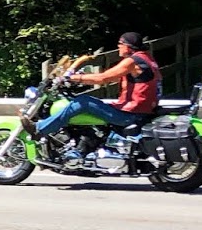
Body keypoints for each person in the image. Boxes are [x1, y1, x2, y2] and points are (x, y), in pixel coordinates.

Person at [33, 32, 162, 146]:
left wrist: (72, 78)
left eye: (120, 43)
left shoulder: (132, 61)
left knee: (83, 102)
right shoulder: (147, 59)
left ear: (128, 46)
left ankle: (40, 128)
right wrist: (85, 77)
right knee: (97, 103)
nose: (118, 46)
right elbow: (116, 77)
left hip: (131, 114)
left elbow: (103, 78)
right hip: (143, 111)